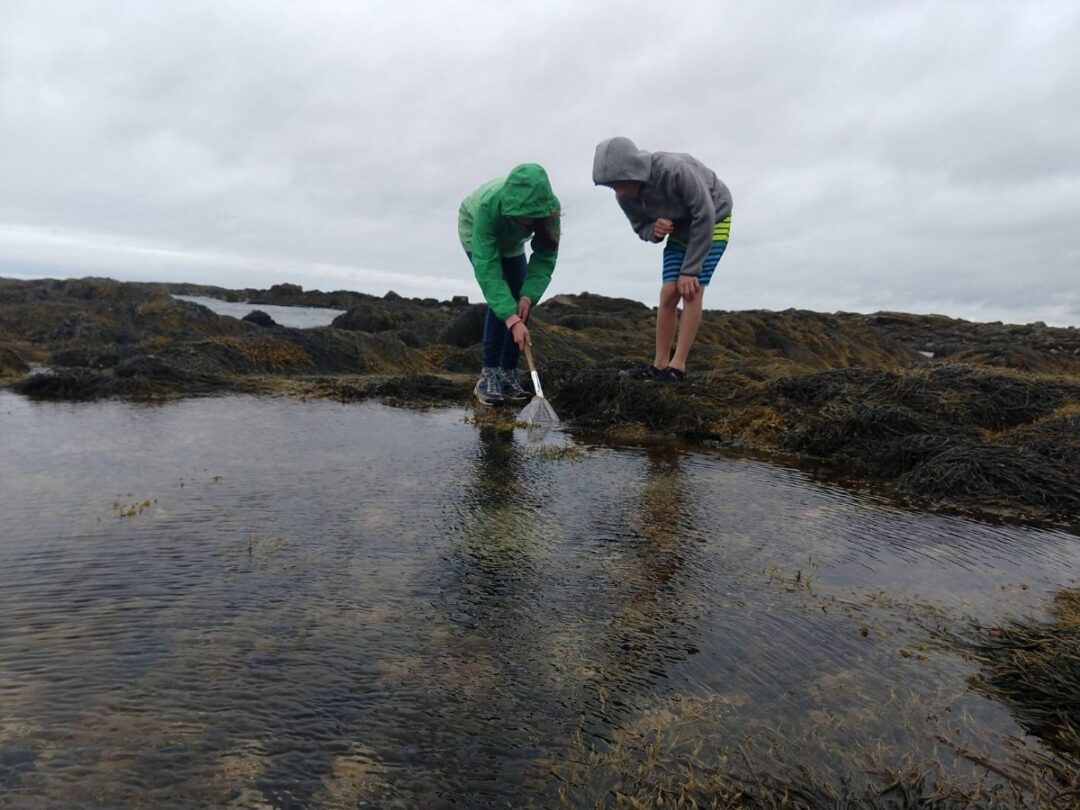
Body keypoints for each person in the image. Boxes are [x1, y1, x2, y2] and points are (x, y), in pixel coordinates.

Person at [593, 137, 732, 382]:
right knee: (669, 291)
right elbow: (641, 227)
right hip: (680, 228)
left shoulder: (672, 170)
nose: (620, 191)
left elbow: (705, 212)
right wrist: (654, 230)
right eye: (613, 186)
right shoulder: (624, 197)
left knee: (691, 290)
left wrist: (690, 270)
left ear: (634, 171)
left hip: (714, 219)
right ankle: (659, 364)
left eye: (621, 183)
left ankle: (677, 367)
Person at [458, 163, 561, 406]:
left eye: (529, 217)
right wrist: (510, 318)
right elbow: (489, 271)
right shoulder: (488, 206)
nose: (524, 220)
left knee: (520, 302)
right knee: (502, 301)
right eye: (520, 215)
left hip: (512, 244)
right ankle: (489, 375)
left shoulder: (549, 210)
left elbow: (545, 257)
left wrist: (528, 296)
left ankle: (507, 373)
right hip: (476, 231)